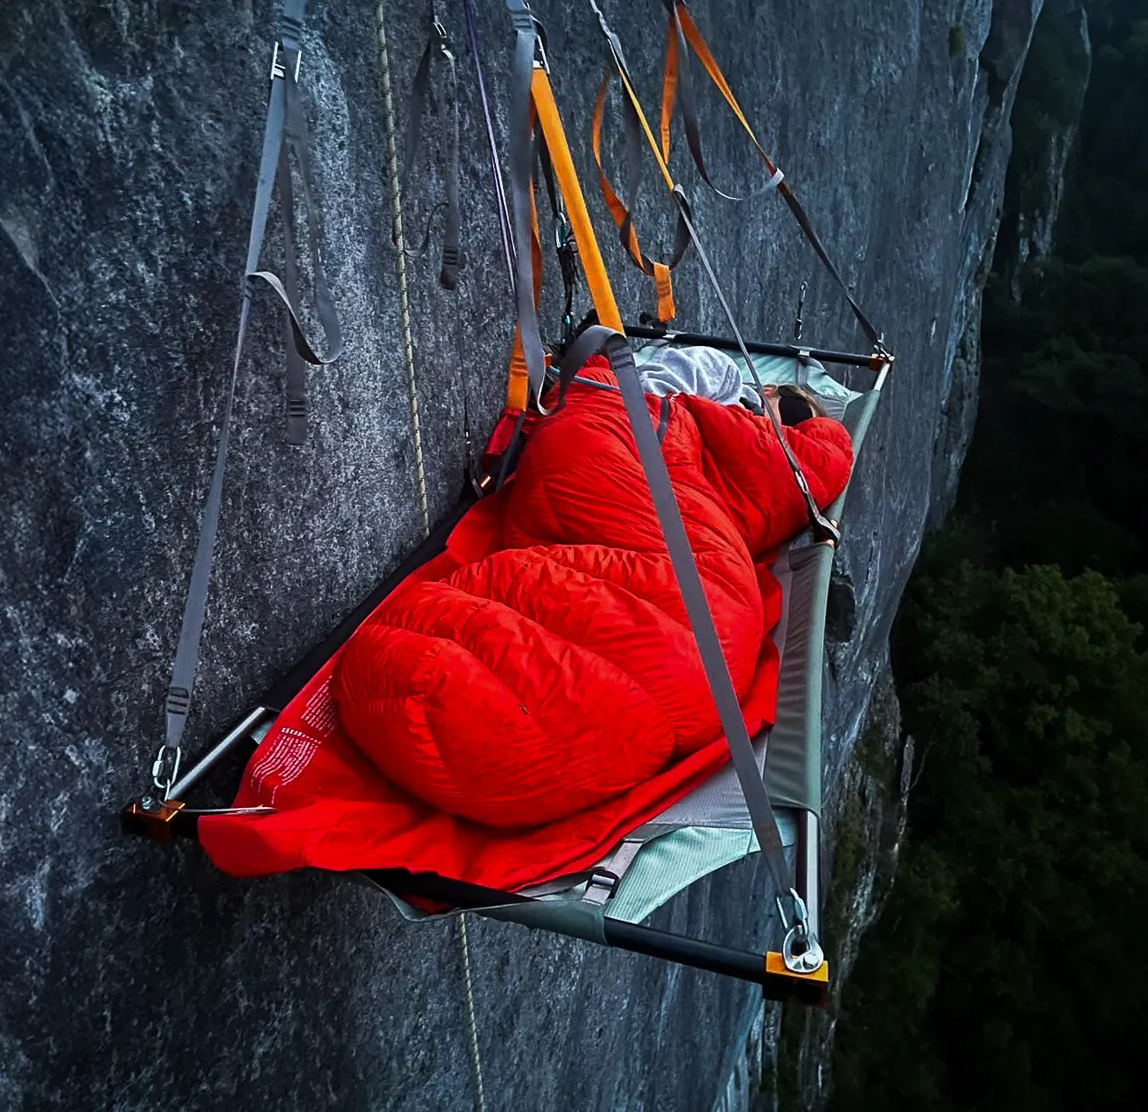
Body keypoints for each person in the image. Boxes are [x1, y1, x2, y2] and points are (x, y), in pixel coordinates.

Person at [203, 354, 854, 888]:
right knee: (667, 653)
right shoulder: (741, 459)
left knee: (658, 652)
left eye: (779, 402)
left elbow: (616, 379)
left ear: (782, 422)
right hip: (693, 586)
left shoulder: (733, 428)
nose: (766, 396)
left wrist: (748, 395)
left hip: (684, 563)